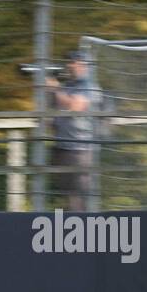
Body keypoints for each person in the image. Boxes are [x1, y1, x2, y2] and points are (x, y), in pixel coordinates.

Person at [47, 50, 102, 212]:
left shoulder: (89, 86)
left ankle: (84, 229)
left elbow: (76, 106)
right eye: (69, 61)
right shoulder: (69, 85)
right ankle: (72, 227)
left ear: (83, 65)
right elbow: (55, 109)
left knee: (79, 195)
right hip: (63, 145)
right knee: (68, 194)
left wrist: (56, 90)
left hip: (79, 149)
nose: (69, 65)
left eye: (73, 62)